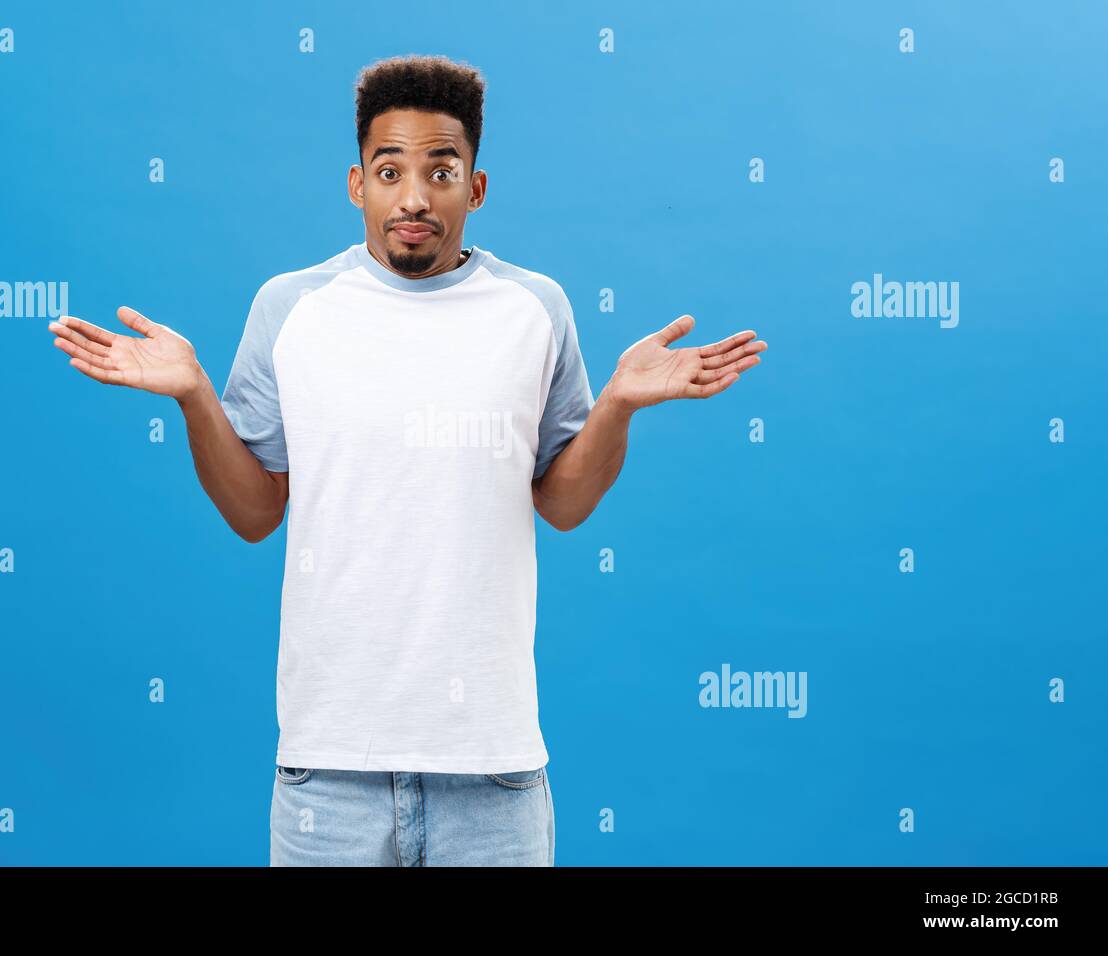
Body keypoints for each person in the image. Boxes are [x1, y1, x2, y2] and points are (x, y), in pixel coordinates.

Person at [46, 54, 767, 866]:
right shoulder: (291, 309)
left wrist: (619, 406)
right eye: (389, 171)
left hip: (493, 774)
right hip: (329, 772)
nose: (414, 197)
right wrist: (194, 398)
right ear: (358, 183)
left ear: (477, 187)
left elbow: (561, 504)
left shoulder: (536, 309)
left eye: (441, 170)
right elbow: (256, 514)